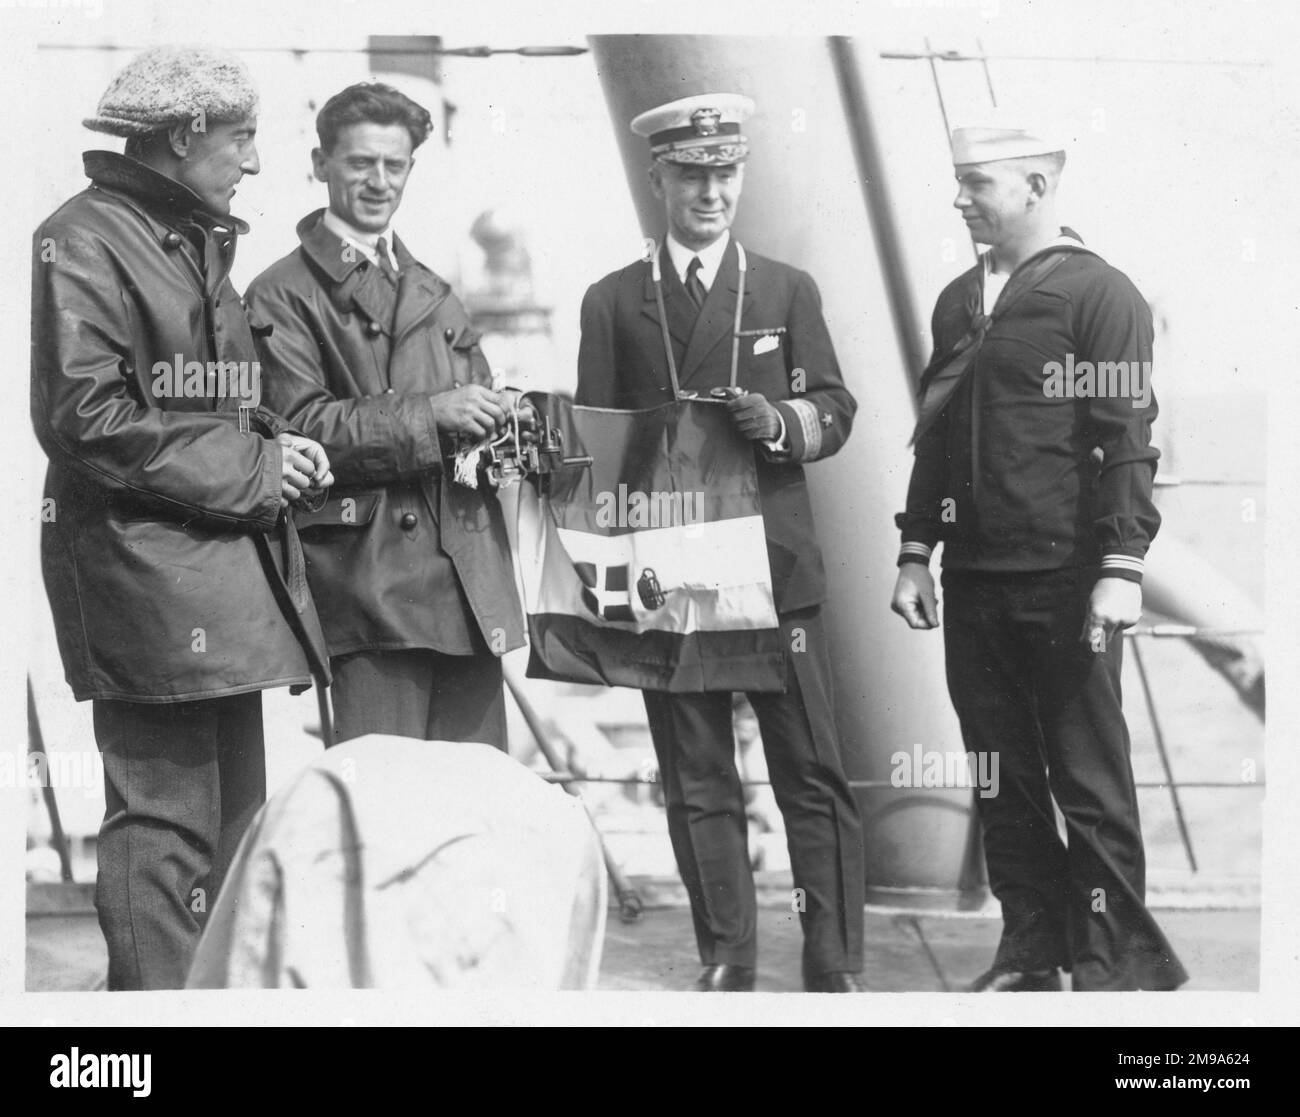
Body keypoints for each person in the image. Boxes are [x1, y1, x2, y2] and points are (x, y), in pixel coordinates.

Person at [31, 45, 335, 990]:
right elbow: (86, 415)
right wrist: (256, 462)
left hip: (210, 569)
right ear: (184, 133)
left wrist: (283, 441)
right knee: (165, 829)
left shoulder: (186, 235)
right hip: (143, 575)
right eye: (242, 137)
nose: (252, 161)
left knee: (234, 820)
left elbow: (212, 399)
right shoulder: (82, 236)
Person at [575, 93, 866, 992]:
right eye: (693, 174)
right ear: (658, 177)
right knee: (697, 774)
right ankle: (727, 955)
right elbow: (598, 445)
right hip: (674, 570)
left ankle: (832, 959)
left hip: (776, 571)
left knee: (810, 771)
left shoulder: (785, 289)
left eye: (725, 173)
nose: (711, 191)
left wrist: (777, 419)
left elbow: (837, 410)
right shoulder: (615, 300)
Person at [890, 121, 1189, 992]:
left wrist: (1122, 567)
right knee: (1002, 777)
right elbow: (936, 439)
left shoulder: (1101, 296)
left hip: (1065, 580)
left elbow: (1127, 438)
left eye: (976, 182)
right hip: (973, 580)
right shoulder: (958, 302)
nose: (958, 198)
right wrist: (916, 550)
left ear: (1035, 185)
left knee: (1088, 783)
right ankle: (1030, 947)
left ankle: (1111, 964)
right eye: (956, 179)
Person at [245, 83, 526, 749]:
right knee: (384, 815)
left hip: (461, 583)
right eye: (359, 163)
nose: (378, 181)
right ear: (321, 165)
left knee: (474, 817)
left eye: (393, 165)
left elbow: (473, 419)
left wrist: (507, 422)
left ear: (410, 171)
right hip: (365, 590)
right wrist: (435, 414)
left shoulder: (433, 292)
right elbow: (299, 430)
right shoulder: (281, 294)